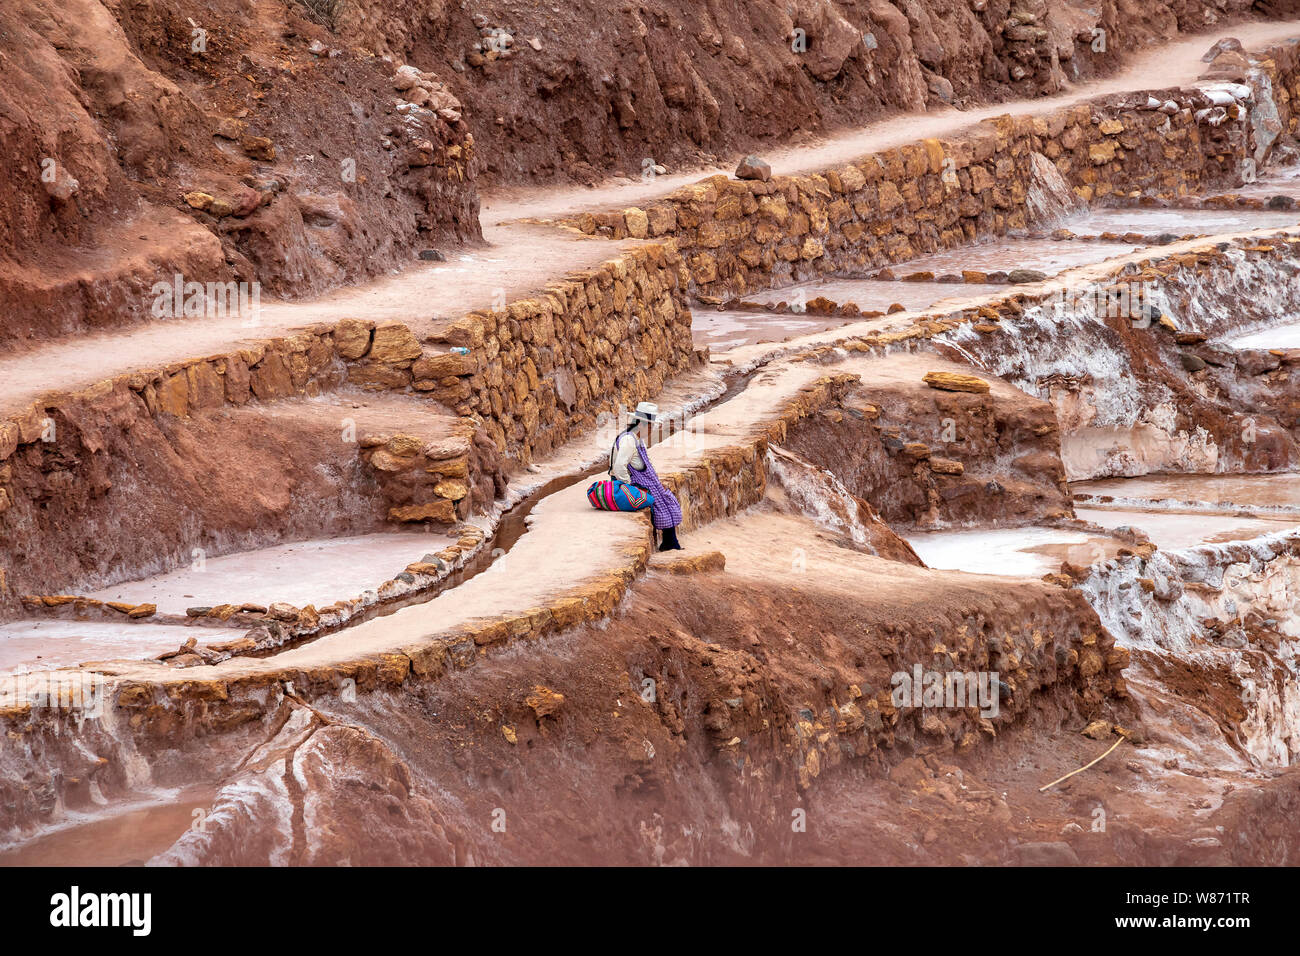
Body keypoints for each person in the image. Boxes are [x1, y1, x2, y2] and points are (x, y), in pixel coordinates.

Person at [609, 402, 683, 550]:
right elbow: (619, 467)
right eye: (651, 426)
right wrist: (629, 486)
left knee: (666, 496)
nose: (652, 430)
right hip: (627, 482)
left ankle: (670, 542)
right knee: (659, 500)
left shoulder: (637, 438)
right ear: (643, 424)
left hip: (640, 479)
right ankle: (670, 544)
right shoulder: (629, 440)